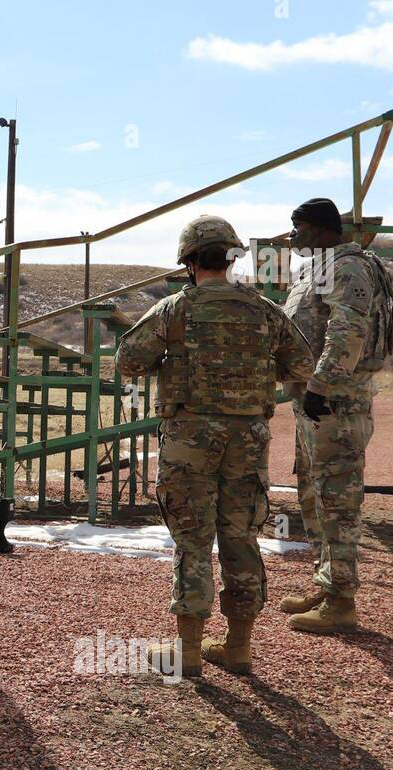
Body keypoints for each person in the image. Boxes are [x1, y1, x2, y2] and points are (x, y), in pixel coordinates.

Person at [117, 216, 313, 676]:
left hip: (189, 438)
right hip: (248, 438)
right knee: (241, 534)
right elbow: (301, 363)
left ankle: (187, 652)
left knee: (192, 536)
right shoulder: (265, 310)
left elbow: (129, 361)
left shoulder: (174, 309)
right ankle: (238, 647)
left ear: (188, 260)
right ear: (233, 257)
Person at [280, 198, 393, 633]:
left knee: (338, 499)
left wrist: (321, 384)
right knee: (313, 494)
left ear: (320, 229)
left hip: (335, 401)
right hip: (313, 400)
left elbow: (347, 329)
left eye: (298, 227)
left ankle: (342, 600)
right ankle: (327, 583)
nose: (291, 237)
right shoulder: (317, 268)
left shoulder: (348, 267)